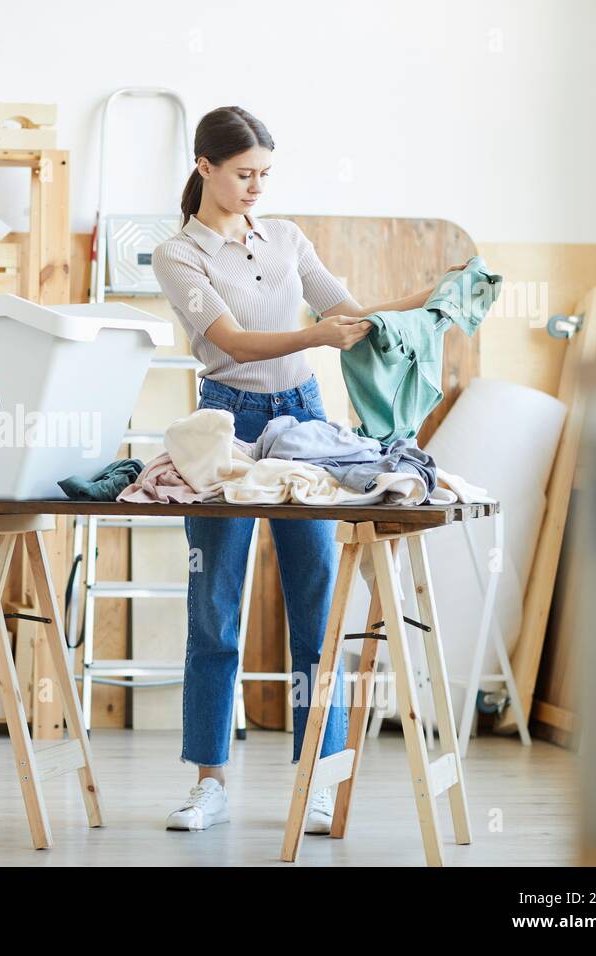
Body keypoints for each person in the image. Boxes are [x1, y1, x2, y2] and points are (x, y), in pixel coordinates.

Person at [151, 105, 466, 834]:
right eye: (244, 174)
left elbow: (351, 317)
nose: (258, 186)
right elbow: (233, 339)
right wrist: (317, 335)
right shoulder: (179, 255)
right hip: (226, 423)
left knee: (316, 605)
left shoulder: (288, 238)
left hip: (305, 419)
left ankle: (318, 780)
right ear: (205, 168)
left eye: (266, 173)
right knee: (214, 606)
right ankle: (209, 781)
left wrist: (432, 293)